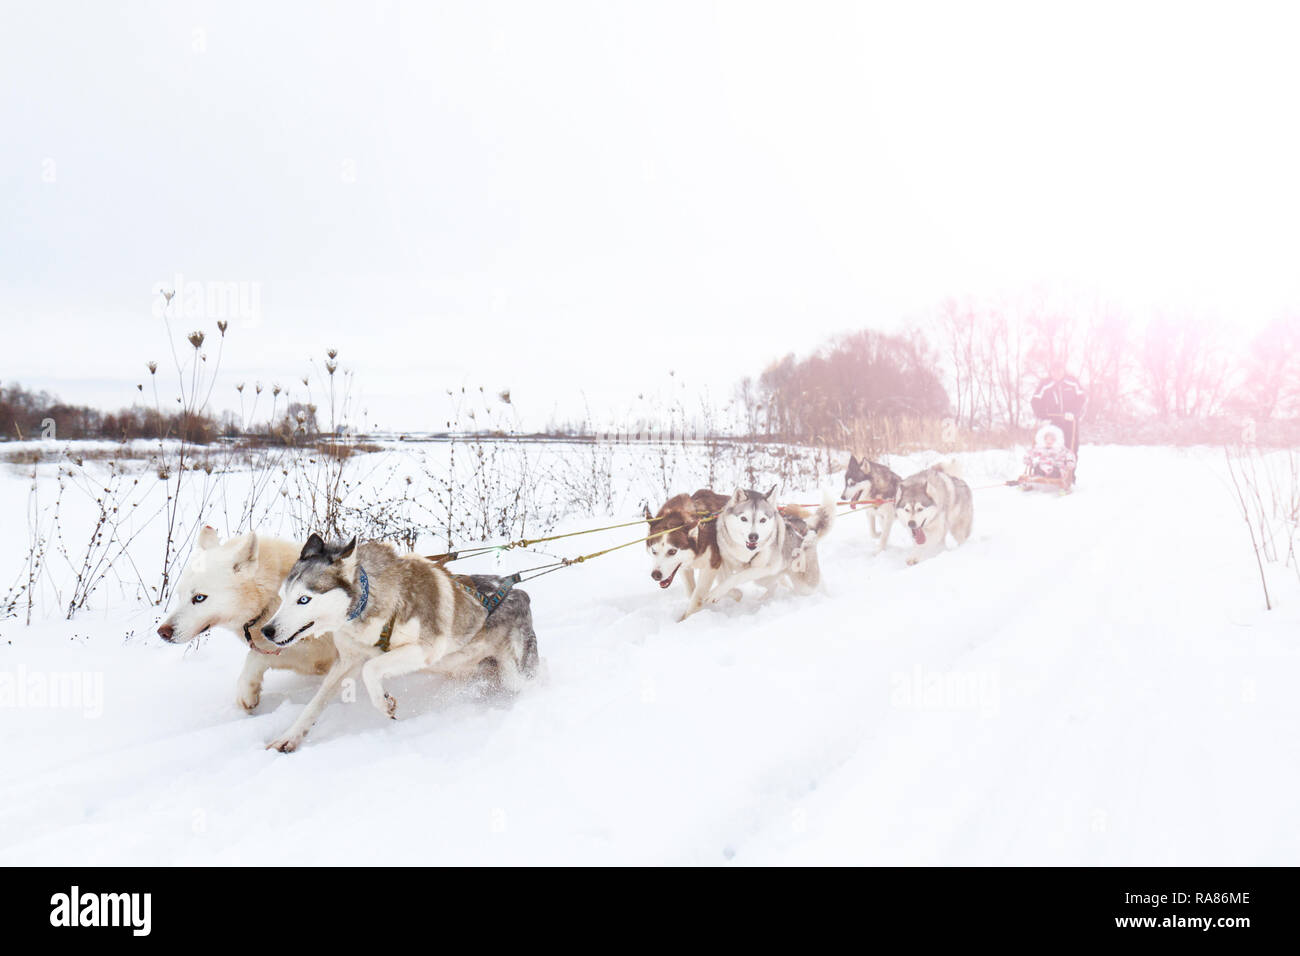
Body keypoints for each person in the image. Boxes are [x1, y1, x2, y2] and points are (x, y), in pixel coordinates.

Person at [1030, 361, 1087, 457]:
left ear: (1063, 371)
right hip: (1052, 420)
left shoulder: (1072, 382)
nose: (1057, 373)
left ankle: (1070, 470)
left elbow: (1081, 398)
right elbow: (1035, 401)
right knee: (1051, 445)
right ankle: (1049, 468)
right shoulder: (1045, 384)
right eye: (1054, 371)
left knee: (1071, 446)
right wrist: (1042, 414)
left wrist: (1074, 412)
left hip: (1070, 419)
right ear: (1051, 372)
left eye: (1059, 370)